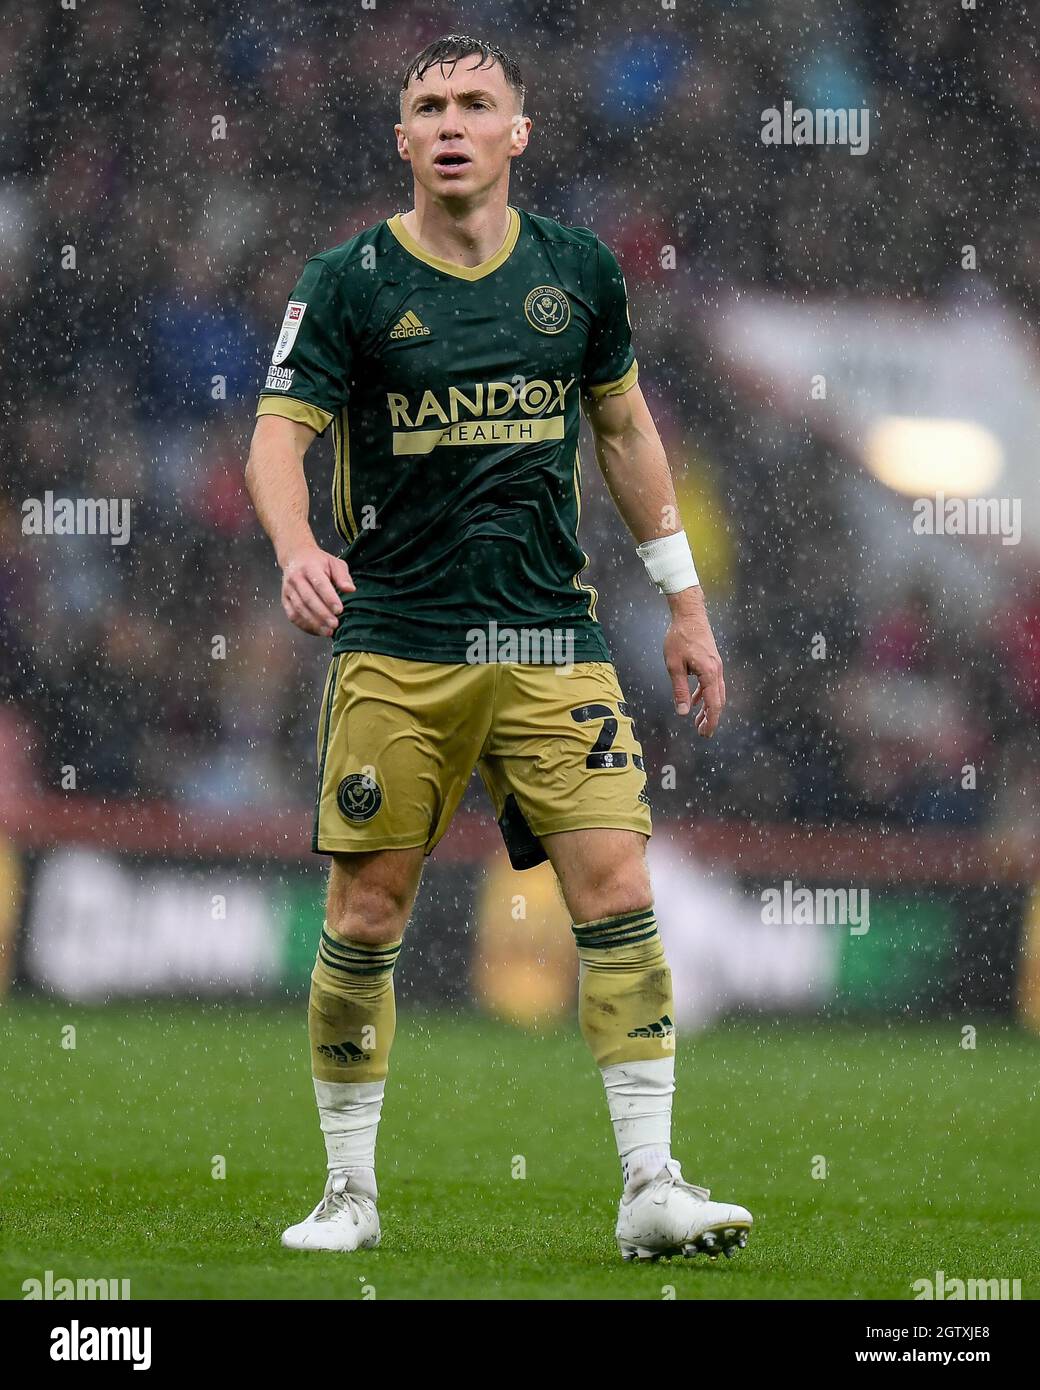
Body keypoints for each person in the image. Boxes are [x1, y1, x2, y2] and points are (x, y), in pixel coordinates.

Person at [244, 34, 751, 1262]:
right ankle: (347, 1194)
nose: (454, 121)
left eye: (478, 102)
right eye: (430, 105)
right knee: (367, 910)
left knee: (618, 887)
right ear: (403, 139)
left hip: (548, 639)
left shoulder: (577, 272)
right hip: (398, 644)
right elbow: (275, 438)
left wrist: (682, 602)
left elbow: (625, 433)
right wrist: (295, 544)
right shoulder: (351, 280)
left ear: (517, 131)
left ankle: (649, 1185)